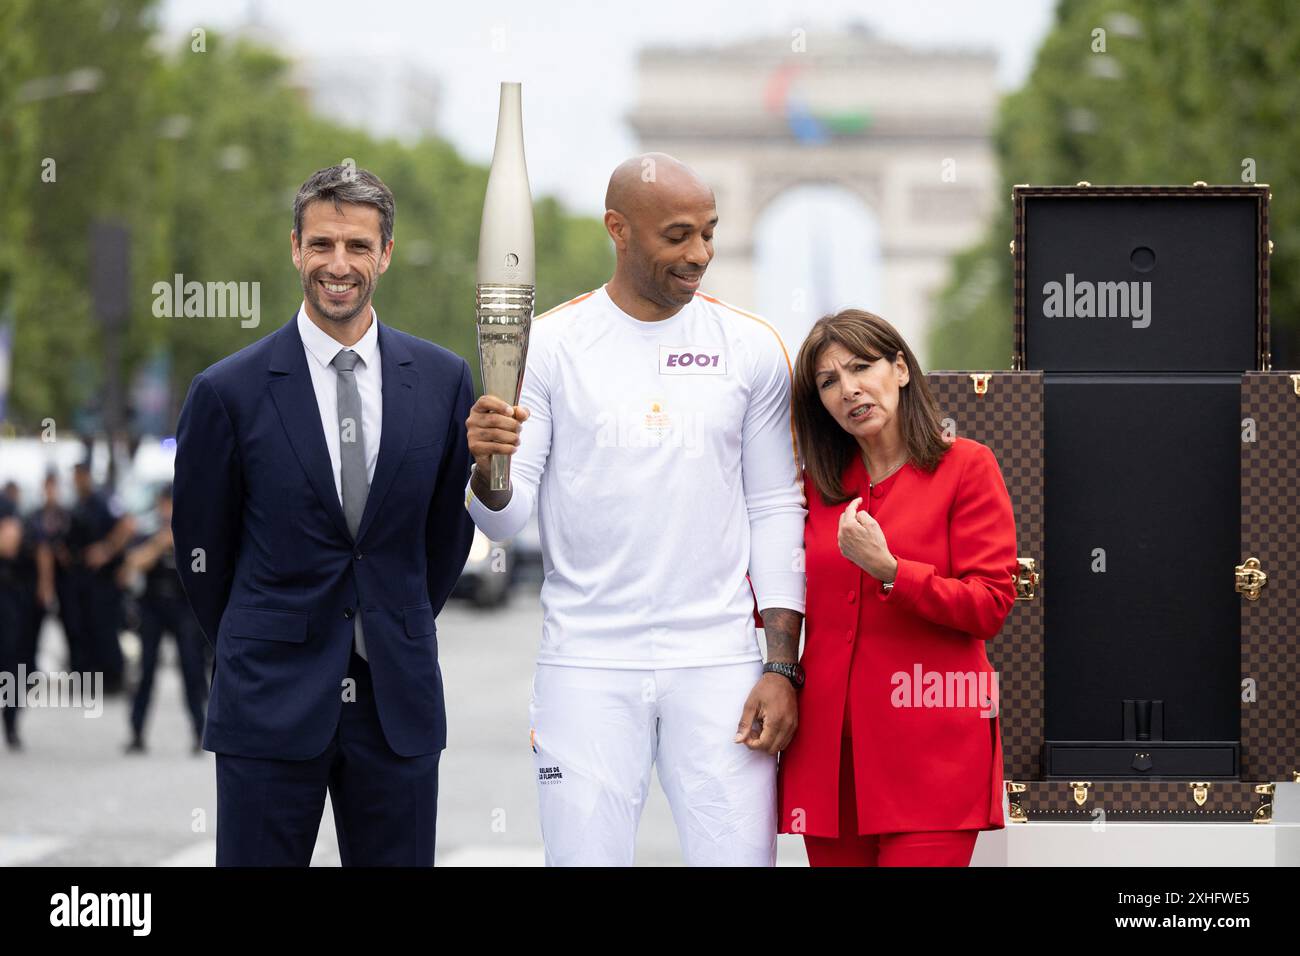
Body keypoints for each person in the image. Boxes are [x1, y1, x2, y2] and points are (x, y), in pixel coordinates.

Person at [465, 153, 806, 866]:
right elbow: (503, 518)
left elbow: (777, 508)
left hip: (719, 663)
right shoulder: (551, 345)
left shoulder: (750, 348)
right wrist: (488, 468)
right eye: (678, 236)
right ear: (617, 229)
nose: (701, 255)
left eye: (710, 233)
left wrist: (783, 667)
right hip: (586, 662)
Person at [172, 164, 475, 866]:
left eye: (358, 247)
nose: (339, 265)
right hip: (268, 700)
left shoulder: (442, 381)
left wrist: (390, 616)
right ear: (295, 248)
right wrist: (264, 635)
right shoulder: (227, 392)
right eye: (323, 244)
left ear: (386, 254)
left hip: (395, 700)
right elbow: (201, 553)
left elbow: (445, 536)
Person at [777, 309, 1018, 867]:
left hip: (933, 757)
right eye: (829, 382)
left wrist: (893, 571)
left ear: (902, 369)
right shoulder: (818, 487)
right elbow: (773, 589)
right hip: (831, 761)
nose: (850, 390)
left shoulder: (967, 467)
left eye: (862, 367)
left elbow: (990, 606)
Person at [121, 485, 208, 755]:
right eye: (165, 504)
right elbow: (133, 563)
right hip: (153, 606)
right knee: (146, 670)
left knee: (191, 670)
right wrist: (160, 543)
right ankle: (136, 731)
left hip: (183, 607)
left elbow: (204, 568)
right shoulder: (149, 530)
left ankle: (199, 730)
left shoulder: (192, 530)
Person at [64, 462, 134, 694]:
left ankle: (113, 678)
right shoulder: (77, 505)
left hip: (104, 581)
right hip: (83, 580)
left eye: (79, 476)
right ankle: (90, 680)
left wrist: (106, 549)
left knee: (106, 630)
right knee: (85, 629)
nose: (76, 481)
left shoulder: (104, 500)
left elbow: (127, 524)